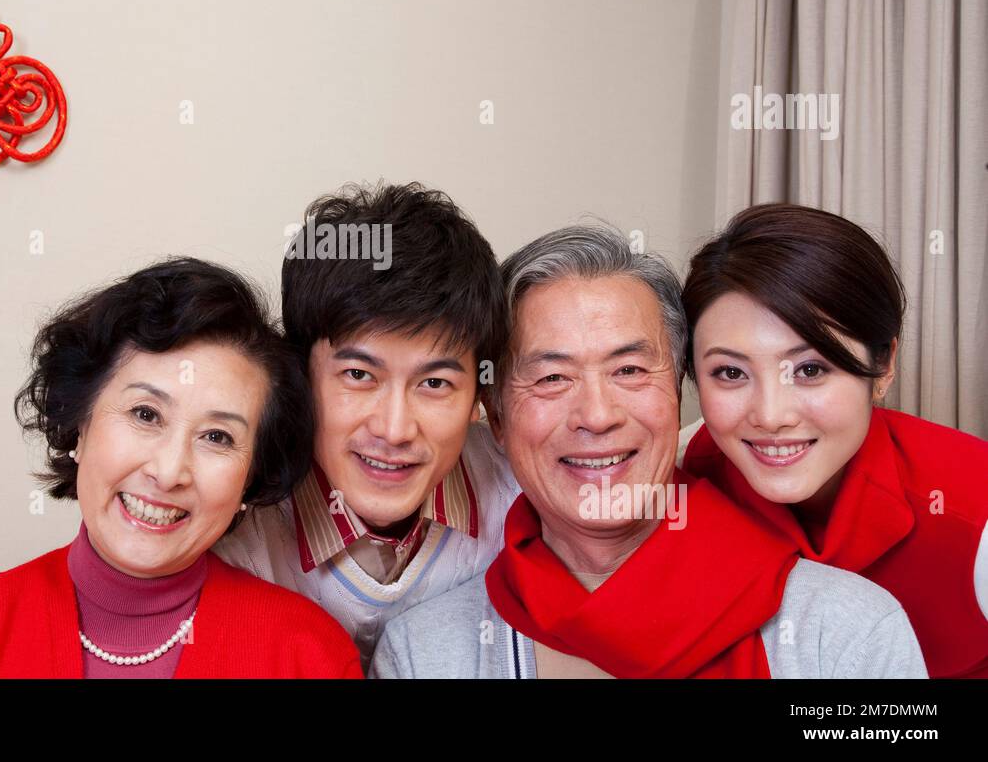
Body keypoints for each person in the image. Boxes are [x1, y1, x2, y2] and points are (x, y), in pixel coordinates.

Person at [372, 224, 927, 678]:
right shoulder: (423, 654)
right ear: (495, 416)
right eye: (550, 378)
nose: (597, 414)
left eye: (630, 370)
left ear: (680, 390)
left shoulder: (846, 631)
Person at [0, 258, 361, 678]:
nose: (170, 472)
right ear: (78, 425)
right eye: (145, 415)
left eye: (218, 437)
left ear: (252, 476)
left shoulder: (309, 655)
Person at [214, 182, 520, 666]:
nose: (395, 429)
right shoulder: (233, 523)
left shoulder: (523, 501)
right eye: (358, 375)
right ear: (298, 375)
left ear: (478, 396)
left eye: (435, 383)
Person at [680, 202, 988, 678]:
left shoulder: (974, 512)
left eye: (810, 369)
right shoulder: (676, 480)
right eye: (730, 372)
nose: (771, 416)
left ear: (882, 366)